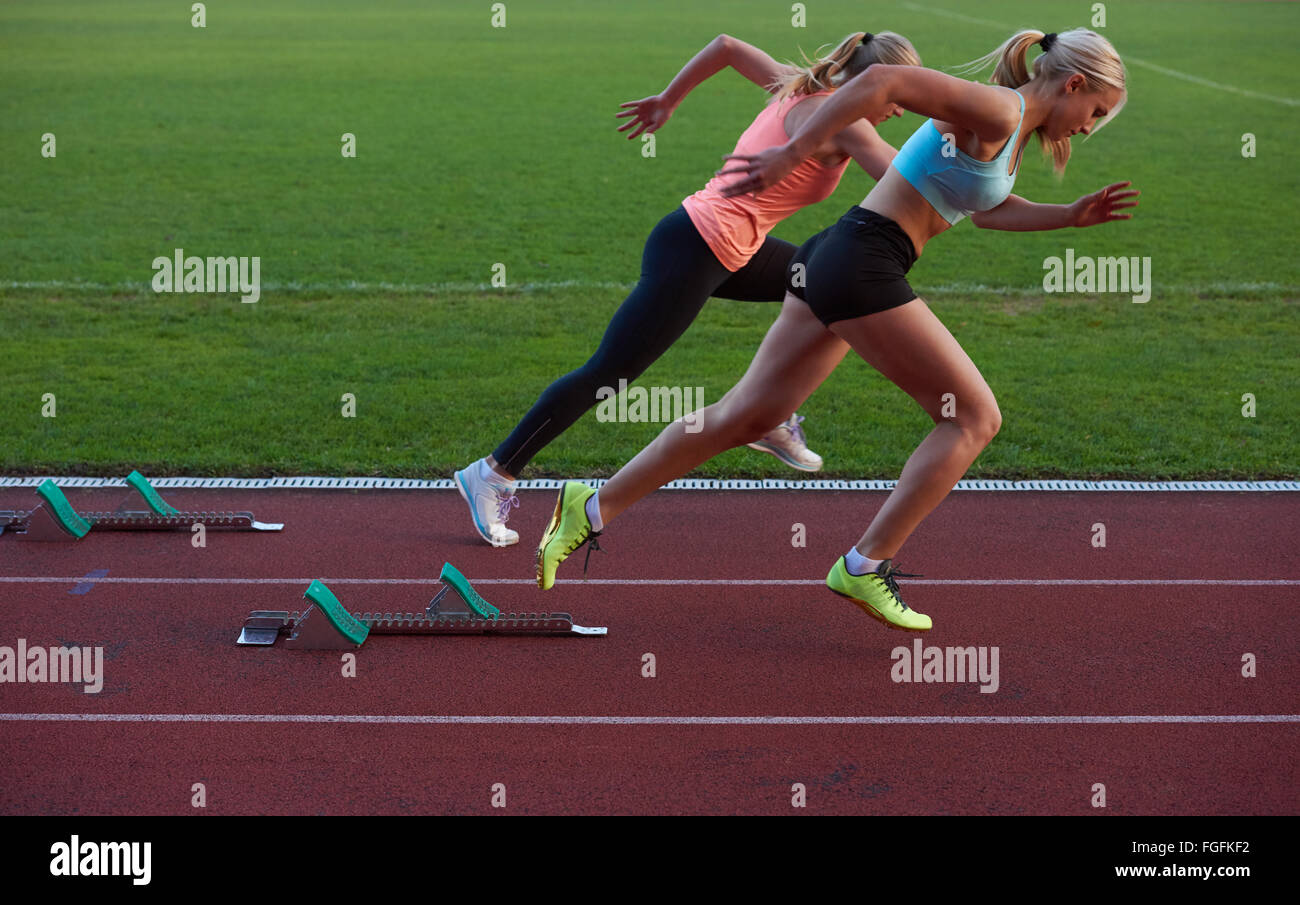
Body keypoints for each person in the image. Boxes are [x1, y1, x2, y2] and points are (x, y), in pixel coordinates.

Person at [536, 28, 1138, 634]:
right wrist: (794, 151)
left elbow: (984, 211)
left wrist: (1070, 216)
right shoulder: (1001, 107)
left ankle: (591, 504)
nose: (1089, 127)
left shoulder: (1006, 128)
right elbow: (882, 82)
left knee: (746, 416)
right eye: (1096, 112)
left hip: (838, 255)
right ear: (1074, 83)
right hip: (865, 263)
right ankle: (864, 565)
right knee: (974, 418)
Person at [454, 30, 921, 546]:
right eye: (898, 98)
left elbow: (726, 47)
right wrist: (977, 144)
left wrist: (667, 101)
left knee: (825, 287)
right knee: (609, 374)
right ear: (875, 82)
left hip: (729, 247)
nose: (899, 111)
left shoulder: (798, 87)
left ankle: (768, 414)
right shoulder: (843, 121)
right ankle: (494, 472)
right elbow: (908, 179)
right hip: (696, 248)